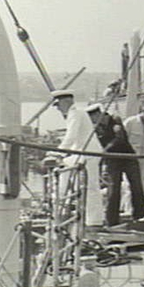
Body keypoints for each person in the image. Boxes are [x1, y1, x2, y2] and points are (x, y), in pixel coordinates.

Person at [50, 89, 105, 228]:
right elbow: (76, 139)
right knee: (67, 172)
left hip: (89, 154)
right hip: (83, 153)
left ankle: (94, 221)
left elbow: (71, 136)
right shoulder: (76, 114)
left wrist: (59, 153)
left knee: (91, 187)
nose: (57, 108)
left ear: (67, 101)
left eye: (59, 105)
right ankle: (63, 207)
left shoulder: (75, 114)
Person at [86, 103, 144, 227]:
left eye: (93, 118)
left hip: (127, 157)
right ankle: (112, 220)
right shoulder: (96, 128)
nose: (92, 122)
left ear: (98, 115)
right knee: (113, 190)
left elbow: (120, 139)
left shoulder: (115, 120)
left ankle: (140, 216)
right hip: (112, 161)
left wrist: (105, 151)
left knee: (136, 187)